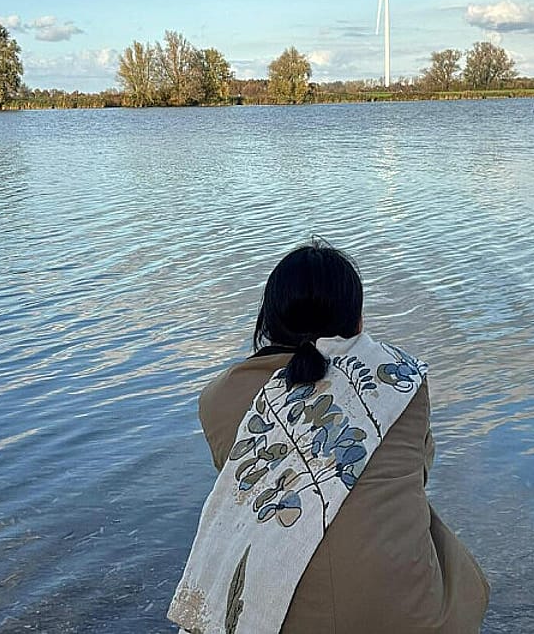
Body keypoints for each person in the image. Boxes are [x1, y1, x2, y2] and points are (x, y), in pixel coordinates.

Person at [169, 239, 489, 633]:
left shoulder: (218, 398)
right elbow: (417, 474)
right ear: (358, 323)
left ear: (267, 323)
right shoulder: (401, 381)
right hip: (417, 620)